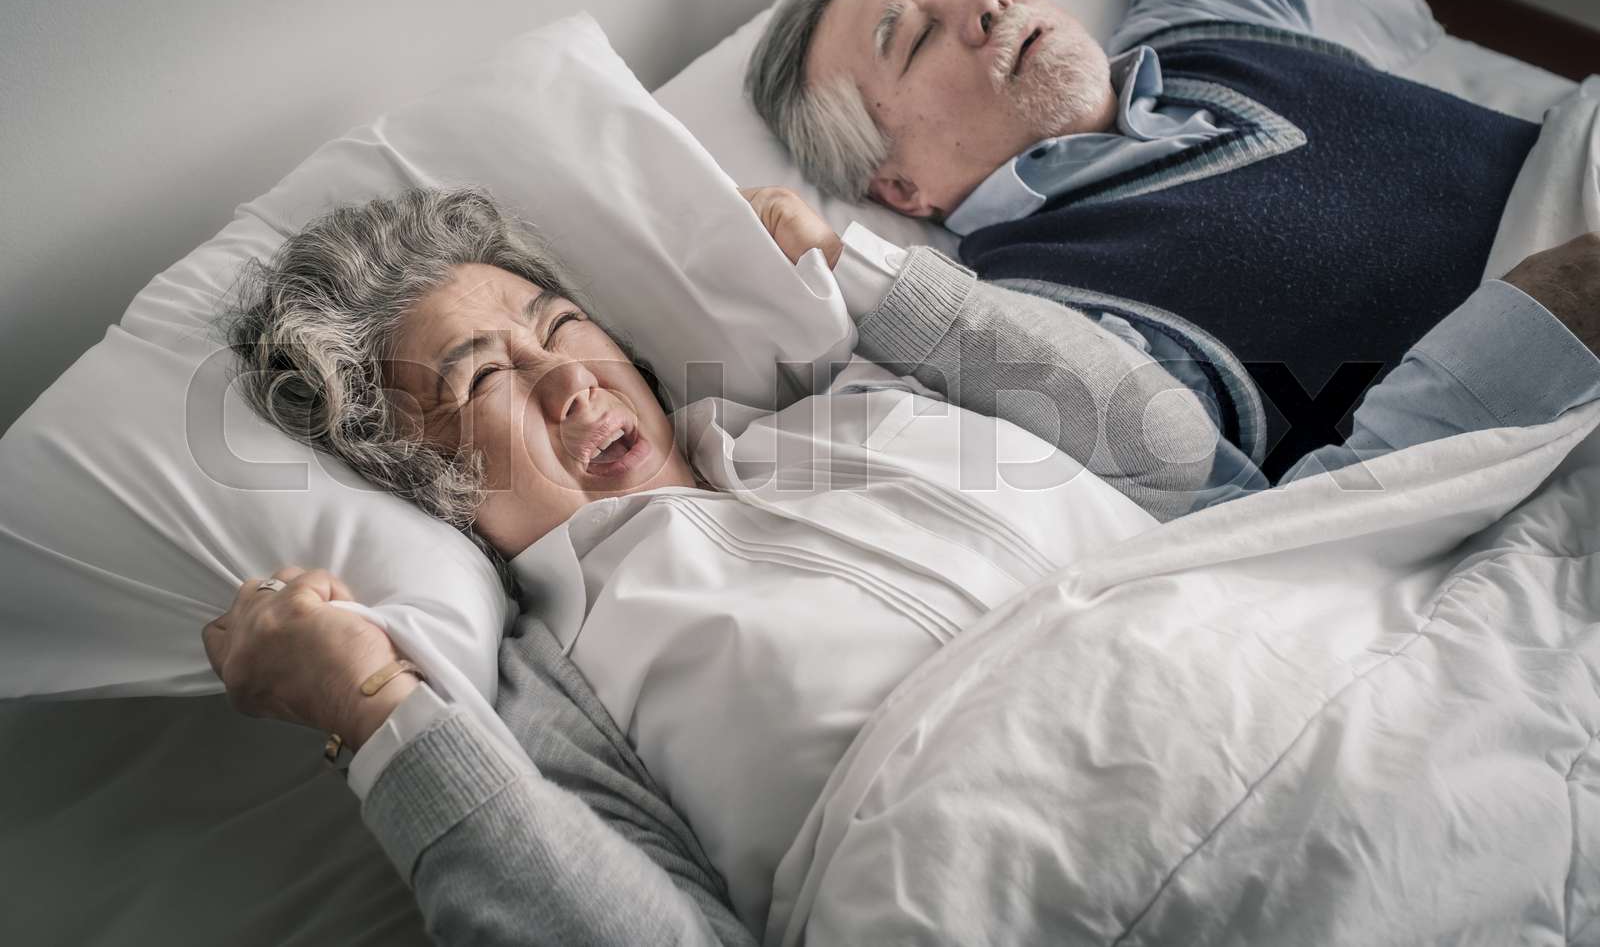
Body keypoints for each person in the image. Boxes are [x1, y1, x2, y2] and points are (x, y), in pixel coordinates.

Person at [204, 185, 1600, 945]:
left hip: (1292, 621)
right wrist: (378, 714)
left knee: (1571, 293)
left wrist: (874, 274)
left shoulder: (846, 400)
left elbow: (1173, 455)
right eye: (482, 377)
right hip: (1088, 858)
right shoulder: (556, 690)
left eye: (559, 322)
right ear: (422, 477)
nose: (563, 374)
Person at [748, 0, 1563, 477]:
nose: (982, 5)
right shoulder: (1049, 304)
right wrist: (866, 279)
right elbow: (1171, 454)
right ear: (896, 188)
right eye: (915, 38)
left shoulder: (1206, 30)